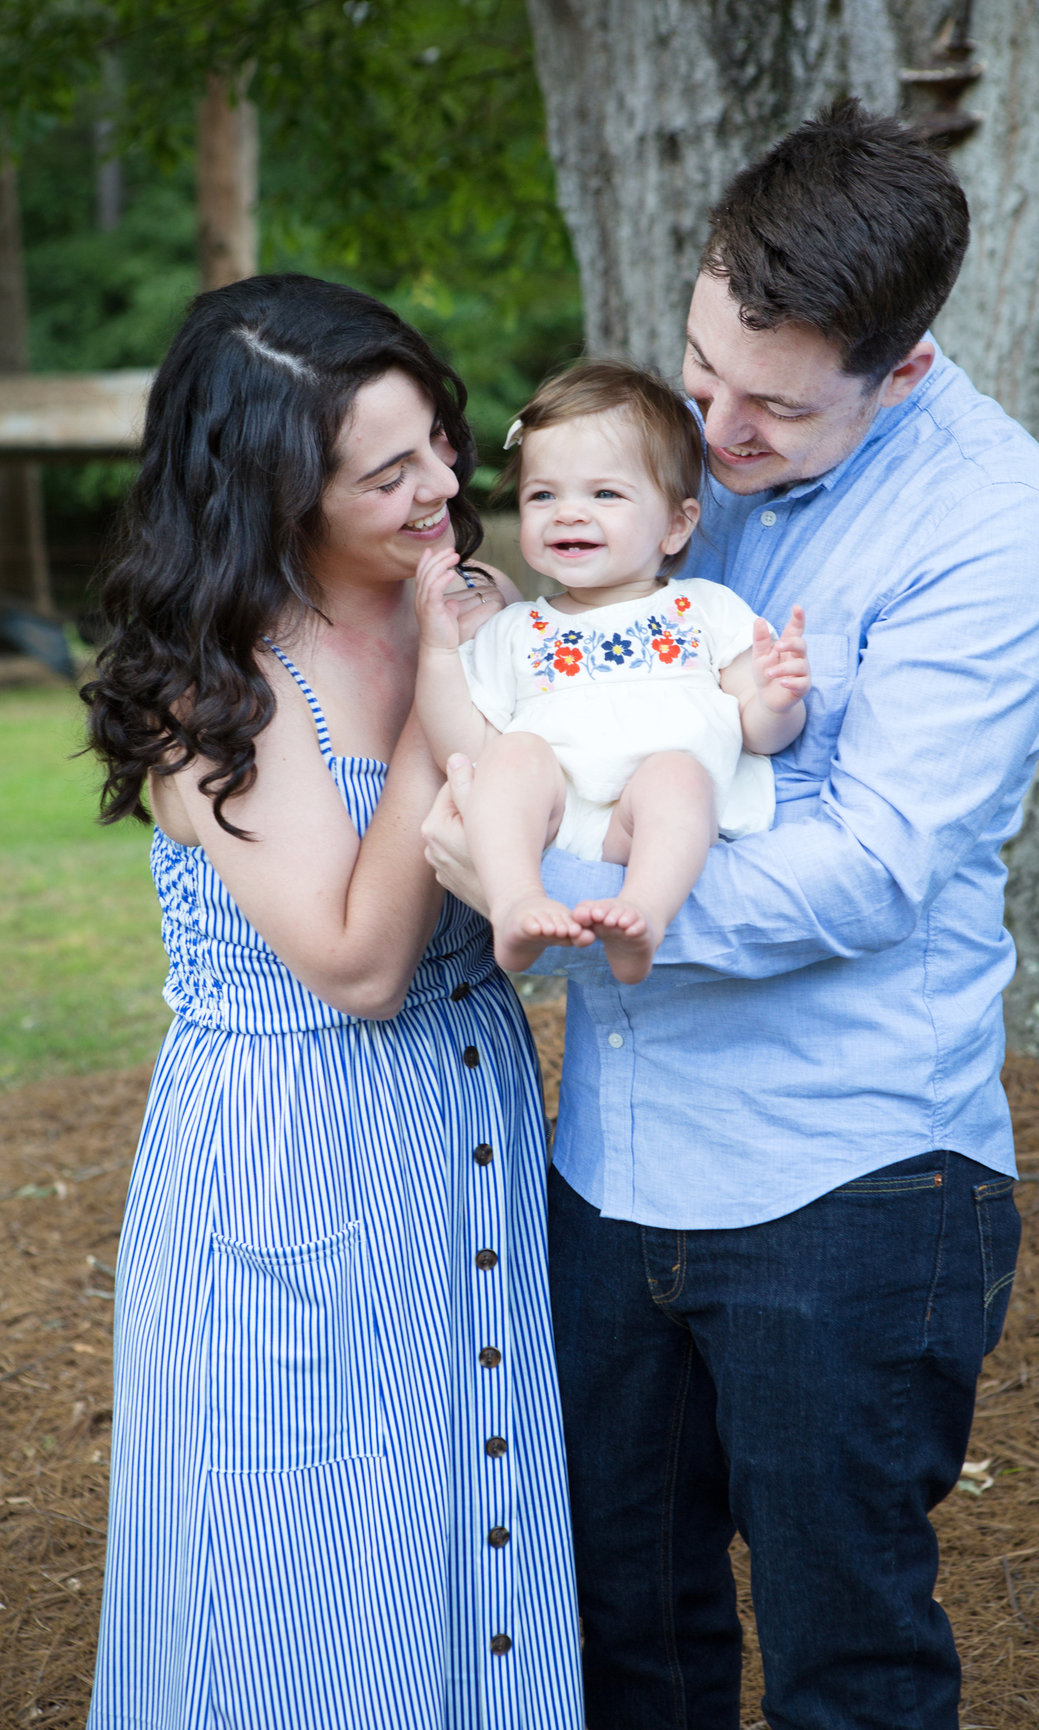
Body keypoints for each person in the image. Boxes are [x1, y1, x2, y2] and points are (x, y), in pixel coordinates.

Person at [422, 100, 1039, 1730]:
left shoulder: (999, 533)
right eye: (699, 369)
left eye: (775, 409)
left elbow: (869, 864)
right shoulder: (685, 453)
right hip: (610, 1167)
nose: (714, 431)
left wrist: (560, 894)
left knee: (841, 1658)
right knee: (623, 1634)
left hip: (846, 1180)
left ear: (903, 368)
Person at [82, 273, 583, 1730]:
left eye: (440, 437)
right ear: (272, 490)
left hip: (465, 1122)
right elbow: (360, 962)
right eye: (389, 470)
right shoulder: (213, 687)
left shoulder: (478, 600)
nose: (444, 485)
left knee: (465, 1540)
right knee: (295, 1590)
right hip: (289, 1158)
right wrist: (451, 684)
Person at [412, 360, 811, 984]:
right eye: (543, 495)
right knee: (514, 755)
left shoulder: (702, 609)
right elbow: (468, 750)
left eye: (605, 494)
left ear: (677, 525)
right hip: (558, 818)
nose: (567, 513)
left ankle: (643, 913)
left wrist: (779, 700)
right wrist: (438, 653)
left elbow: (757, 733)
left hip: (656, 826)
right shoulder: (516, 630)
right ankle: (517, 901)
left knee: (679, 773)